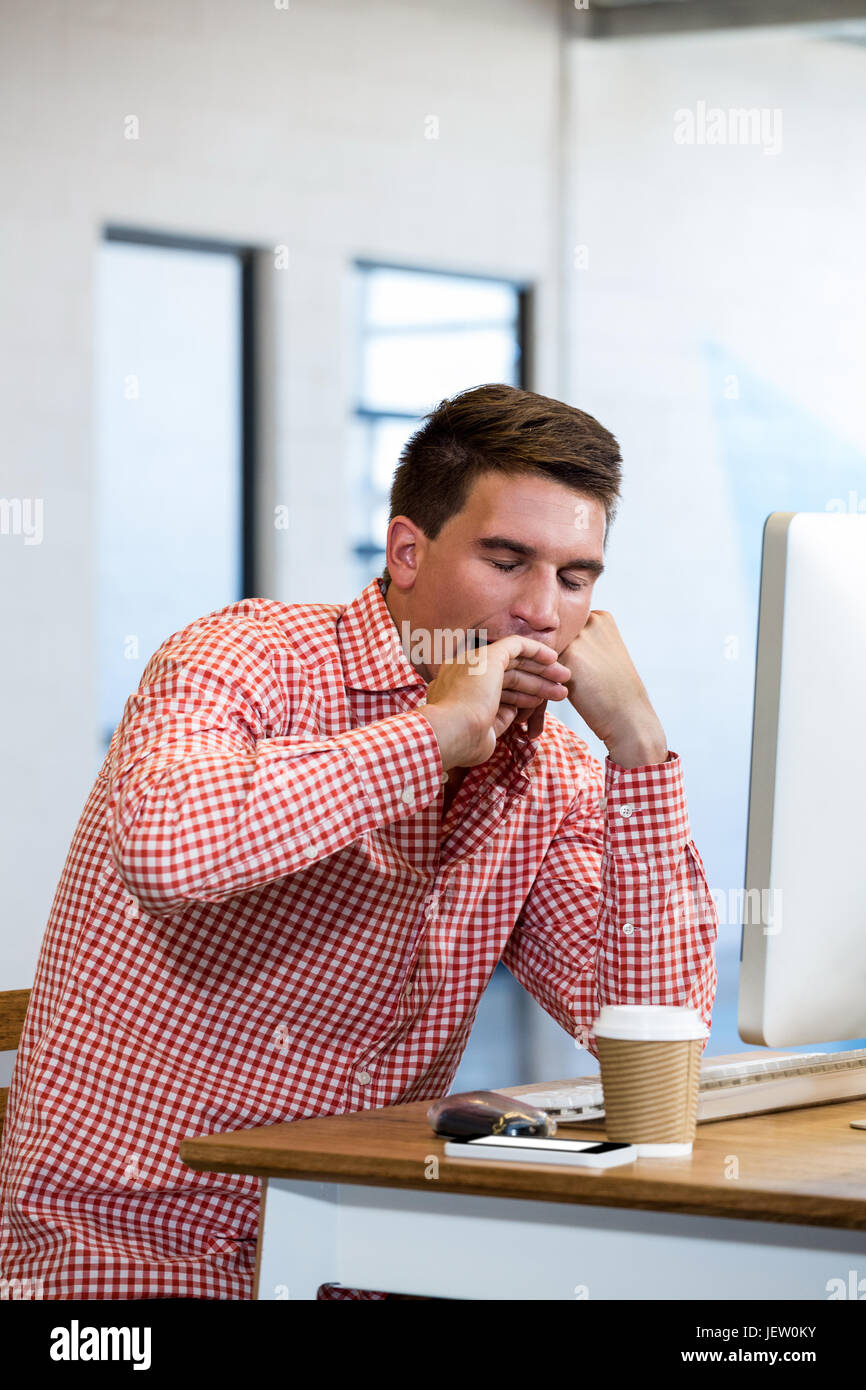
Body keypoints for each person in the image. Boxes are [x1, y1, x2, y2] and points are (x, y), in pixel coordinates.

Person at [0, 383, 718, 1300]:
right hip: (131, 1258)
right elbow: (168, 849)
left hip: (359, 1258)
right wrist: (430, 737)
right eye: (508, 561)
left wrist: (640, 753)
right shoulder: (244, 658)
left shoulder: (555, 774)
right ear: (407, 551)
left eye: (576, 579)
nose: (543, 610)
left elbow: (653, 1040)